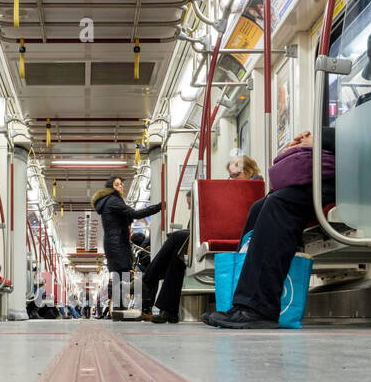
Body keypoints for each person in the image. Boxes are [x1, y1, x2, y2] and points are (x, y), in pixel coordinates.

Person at [202, 129, 336, 329]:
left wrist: (319, 139)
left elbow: (359, 137)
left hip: (348, 181)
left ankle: (258, 308)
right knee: (259, 207)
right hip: (333, 177)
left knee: (278, 204)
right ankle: (242, 302)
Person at [91, 176, 162, 320]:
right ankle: (119, 309)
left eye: (122, 184)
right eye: (118, 184)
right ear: (111, 188)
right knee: (122, 275)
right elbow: (134, 214)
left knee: (119, 276)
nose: (121, 186)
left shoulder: (109, 201)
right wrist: (159, 207)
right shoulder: (113, 200)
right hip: (117, 243)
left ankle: (119, 309)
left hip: (114, 242)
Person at [142, 189, 193, 324]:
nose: (188, 208)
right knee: (174, 261)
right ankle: (169, 311)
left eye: (190, 204)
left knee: (176, 237)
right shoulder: (195, 216)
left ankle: (147, 281)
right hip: (192, 244)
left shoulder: (207, 212)